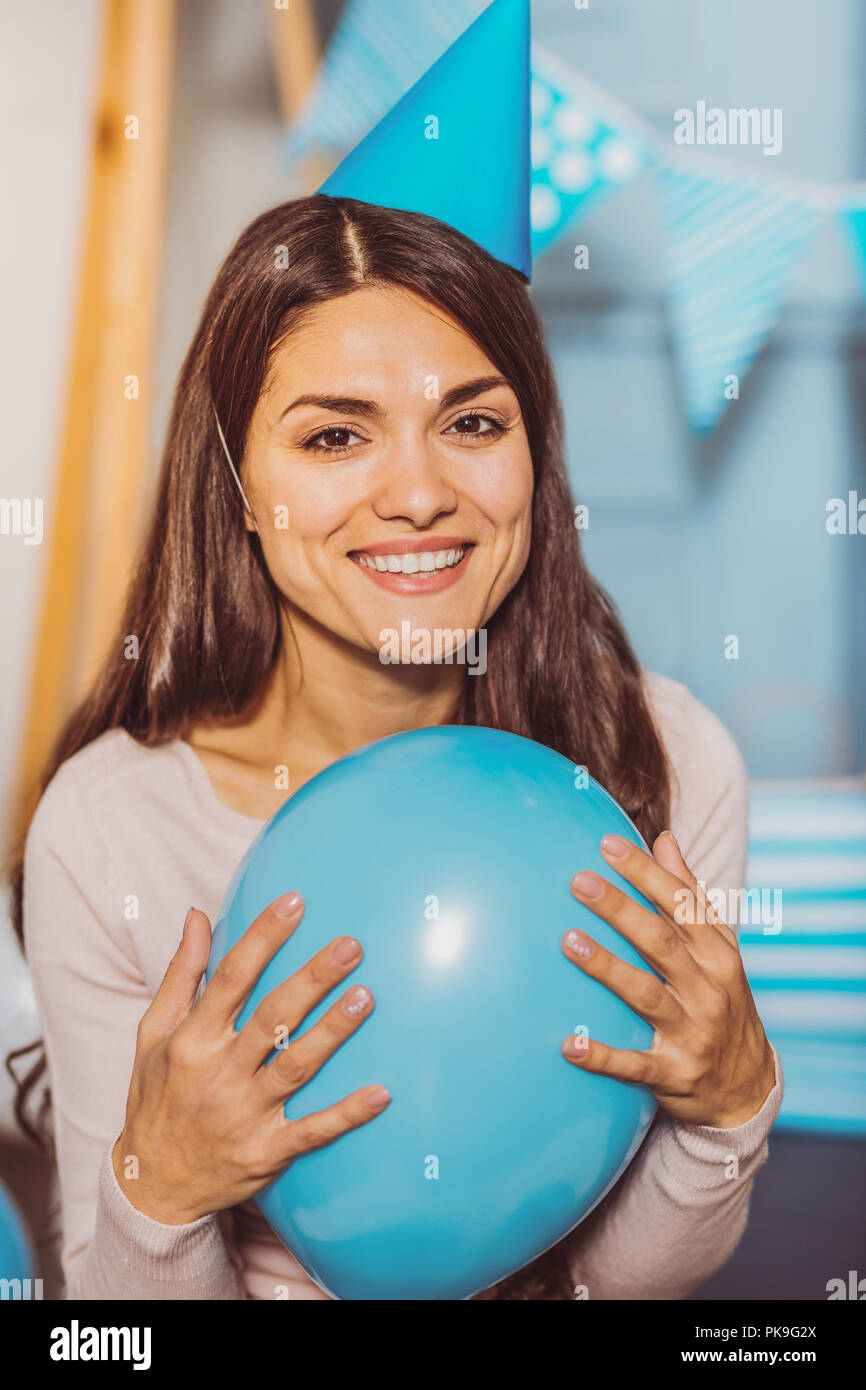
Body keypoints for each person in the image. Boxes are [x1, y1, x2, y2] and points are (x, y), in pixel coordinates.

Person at [13, 0, 782, 1302]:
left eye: (471, 422)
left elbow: (619, 1283)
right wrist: (162, 1181)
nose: (418, 493)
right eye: (334, 436)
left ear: (534, 454)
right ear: (239, 486)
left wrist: (730, 1106)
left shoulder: (661, 762)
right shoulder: (108, 829)